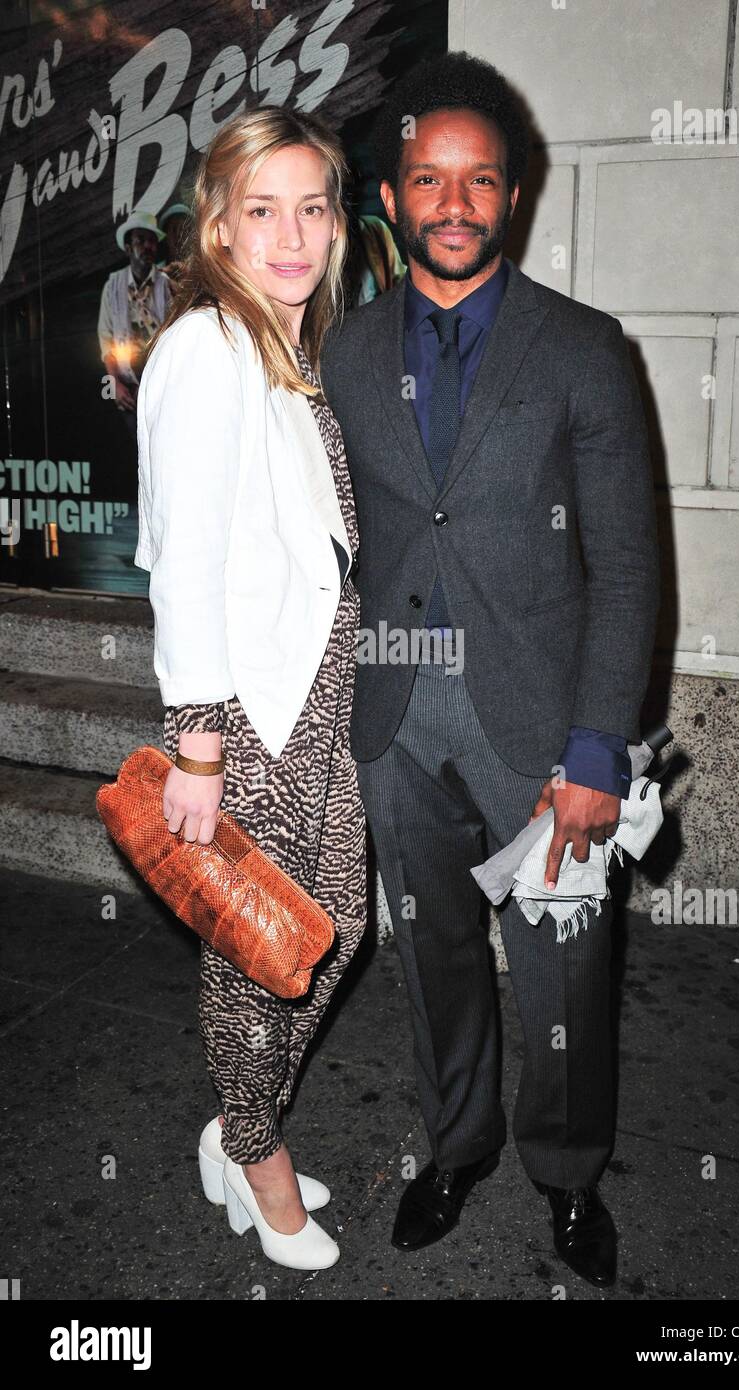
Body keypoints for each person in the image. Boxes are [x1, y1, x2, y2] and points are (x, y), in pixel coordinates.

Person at [320, 52, 660, 1287]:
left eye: (478, 181)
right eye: (427, 178)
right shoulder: (345, 352)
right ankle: (455, 1144)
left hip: (539, 722)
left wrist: (592, 752)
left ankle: (565, 1171)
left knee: (565, 960)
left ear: (510, 198)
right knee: (432, 950)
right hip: (398, 715)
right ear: (394, 197)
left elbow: (626, 570)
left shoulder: (581, 348)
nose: (451, 202)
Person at [134, 107, 366, 1271]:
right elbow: (179, 553)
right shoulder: (204, 348)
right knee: (258, 950)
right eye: (259, 209)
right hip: (247, 719)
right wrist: (197, 745)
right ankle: (257, 1165)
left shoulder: (286, 351)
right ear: (217, 226)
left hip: (315, 706)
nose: (289, 234)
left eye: (310, 207)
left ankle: (238, 1128)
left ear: (336, 222)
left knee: (333, 931)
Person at [97, 212, 174, 445]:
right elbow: (106, 341)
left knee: (164, 447)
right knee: (138, 451)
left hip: (163, 387)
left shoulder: (167, 284)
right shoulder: (113, 286)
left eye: (152, 240)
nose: (148, 246)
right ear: (129, 247)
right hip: (129, 386)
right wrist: (115, 385)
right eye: (141, 240)